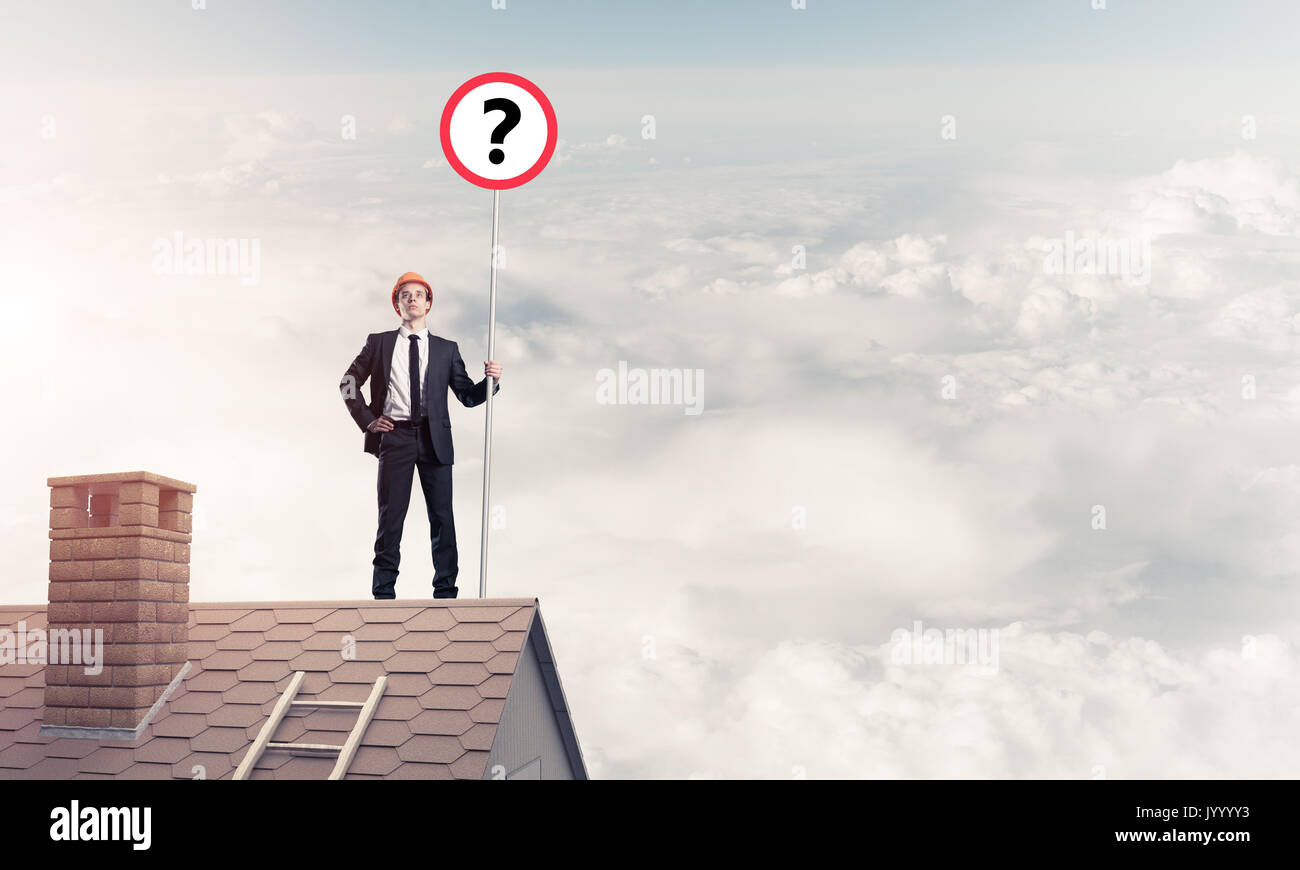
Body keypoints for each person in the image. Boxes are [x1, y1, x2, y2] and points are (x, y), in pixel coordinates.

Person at [339, 271, 501, 599]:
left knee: (442, 518)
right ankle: (383, 594)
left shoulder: (446, 349)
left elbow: (468, 396)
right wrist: (369, 420)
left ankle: (446, 593)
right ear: (397, 305)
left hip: (434, 439)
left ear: (428, 304)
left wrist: (491, 383)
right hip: (395, 438)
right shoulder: (379, 342)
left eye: (418, 294)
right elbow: (348, 382)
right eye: (405, 295)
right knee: (391, 517)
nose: (412, 299)